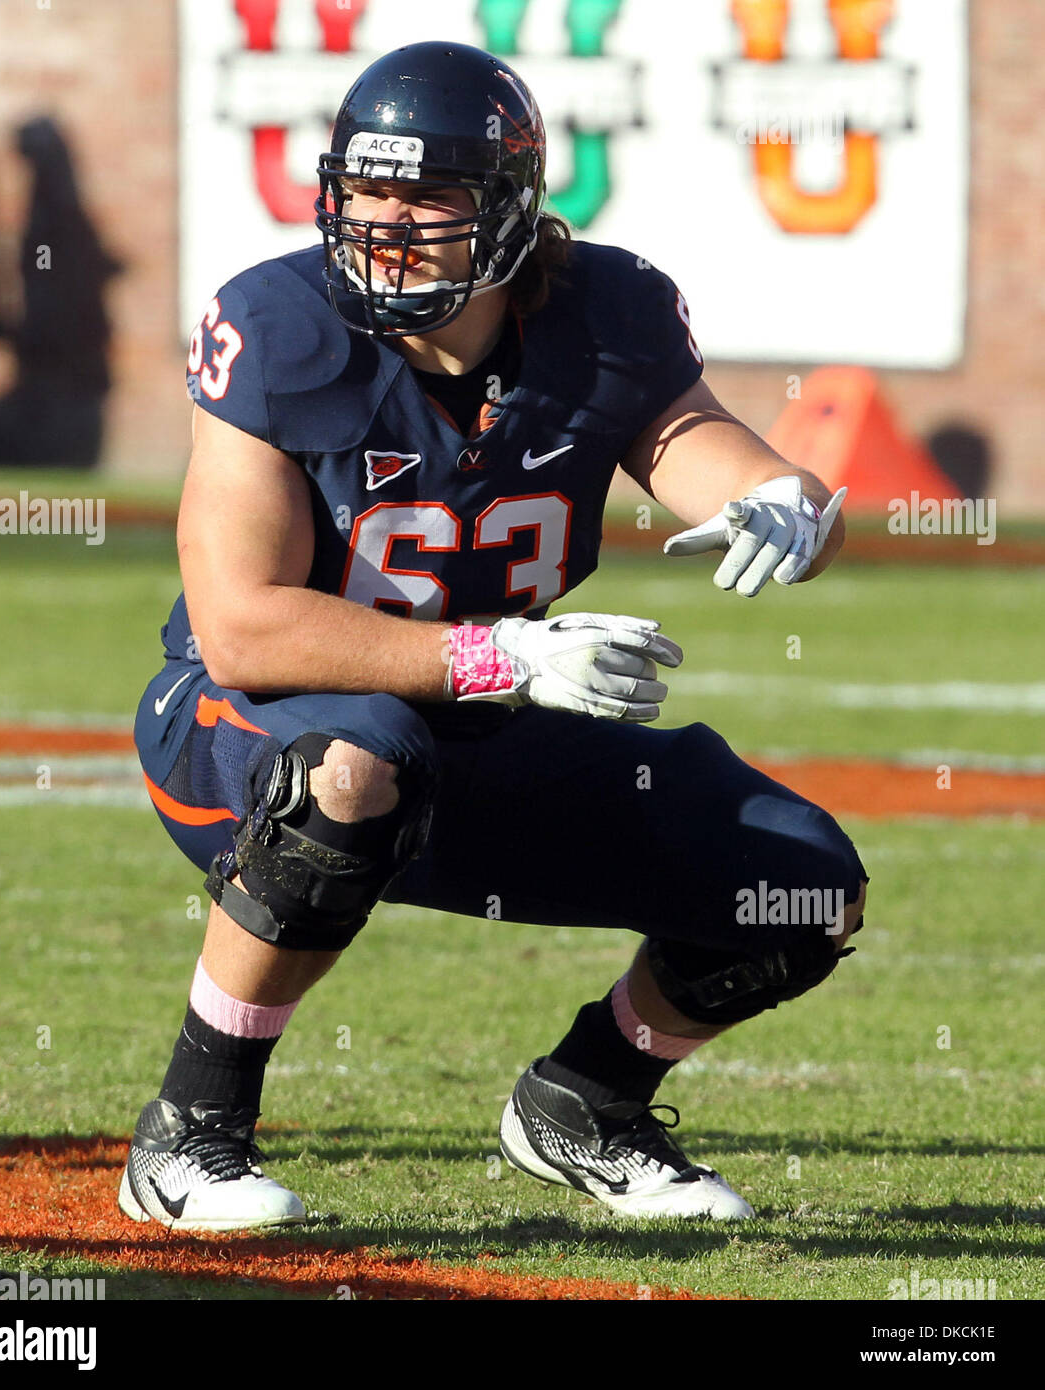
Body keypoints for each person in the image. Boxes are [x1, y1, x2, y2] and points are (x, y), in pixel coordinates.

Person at [121, 41, 867, 1232]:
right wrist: (503, 656)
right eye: (365, 192)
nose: (388, 224)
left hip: (476, 731)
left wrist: (790, 501)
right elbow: (244, 629)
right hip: (247, 725)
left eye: (428, 197)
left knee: (800, 887)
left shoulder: (604, 316)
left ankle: (588, 1100)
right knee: (352, 770)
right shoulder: (277, 327)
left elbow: (706, 454)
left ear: (512, 210)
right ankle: (189, 1128)